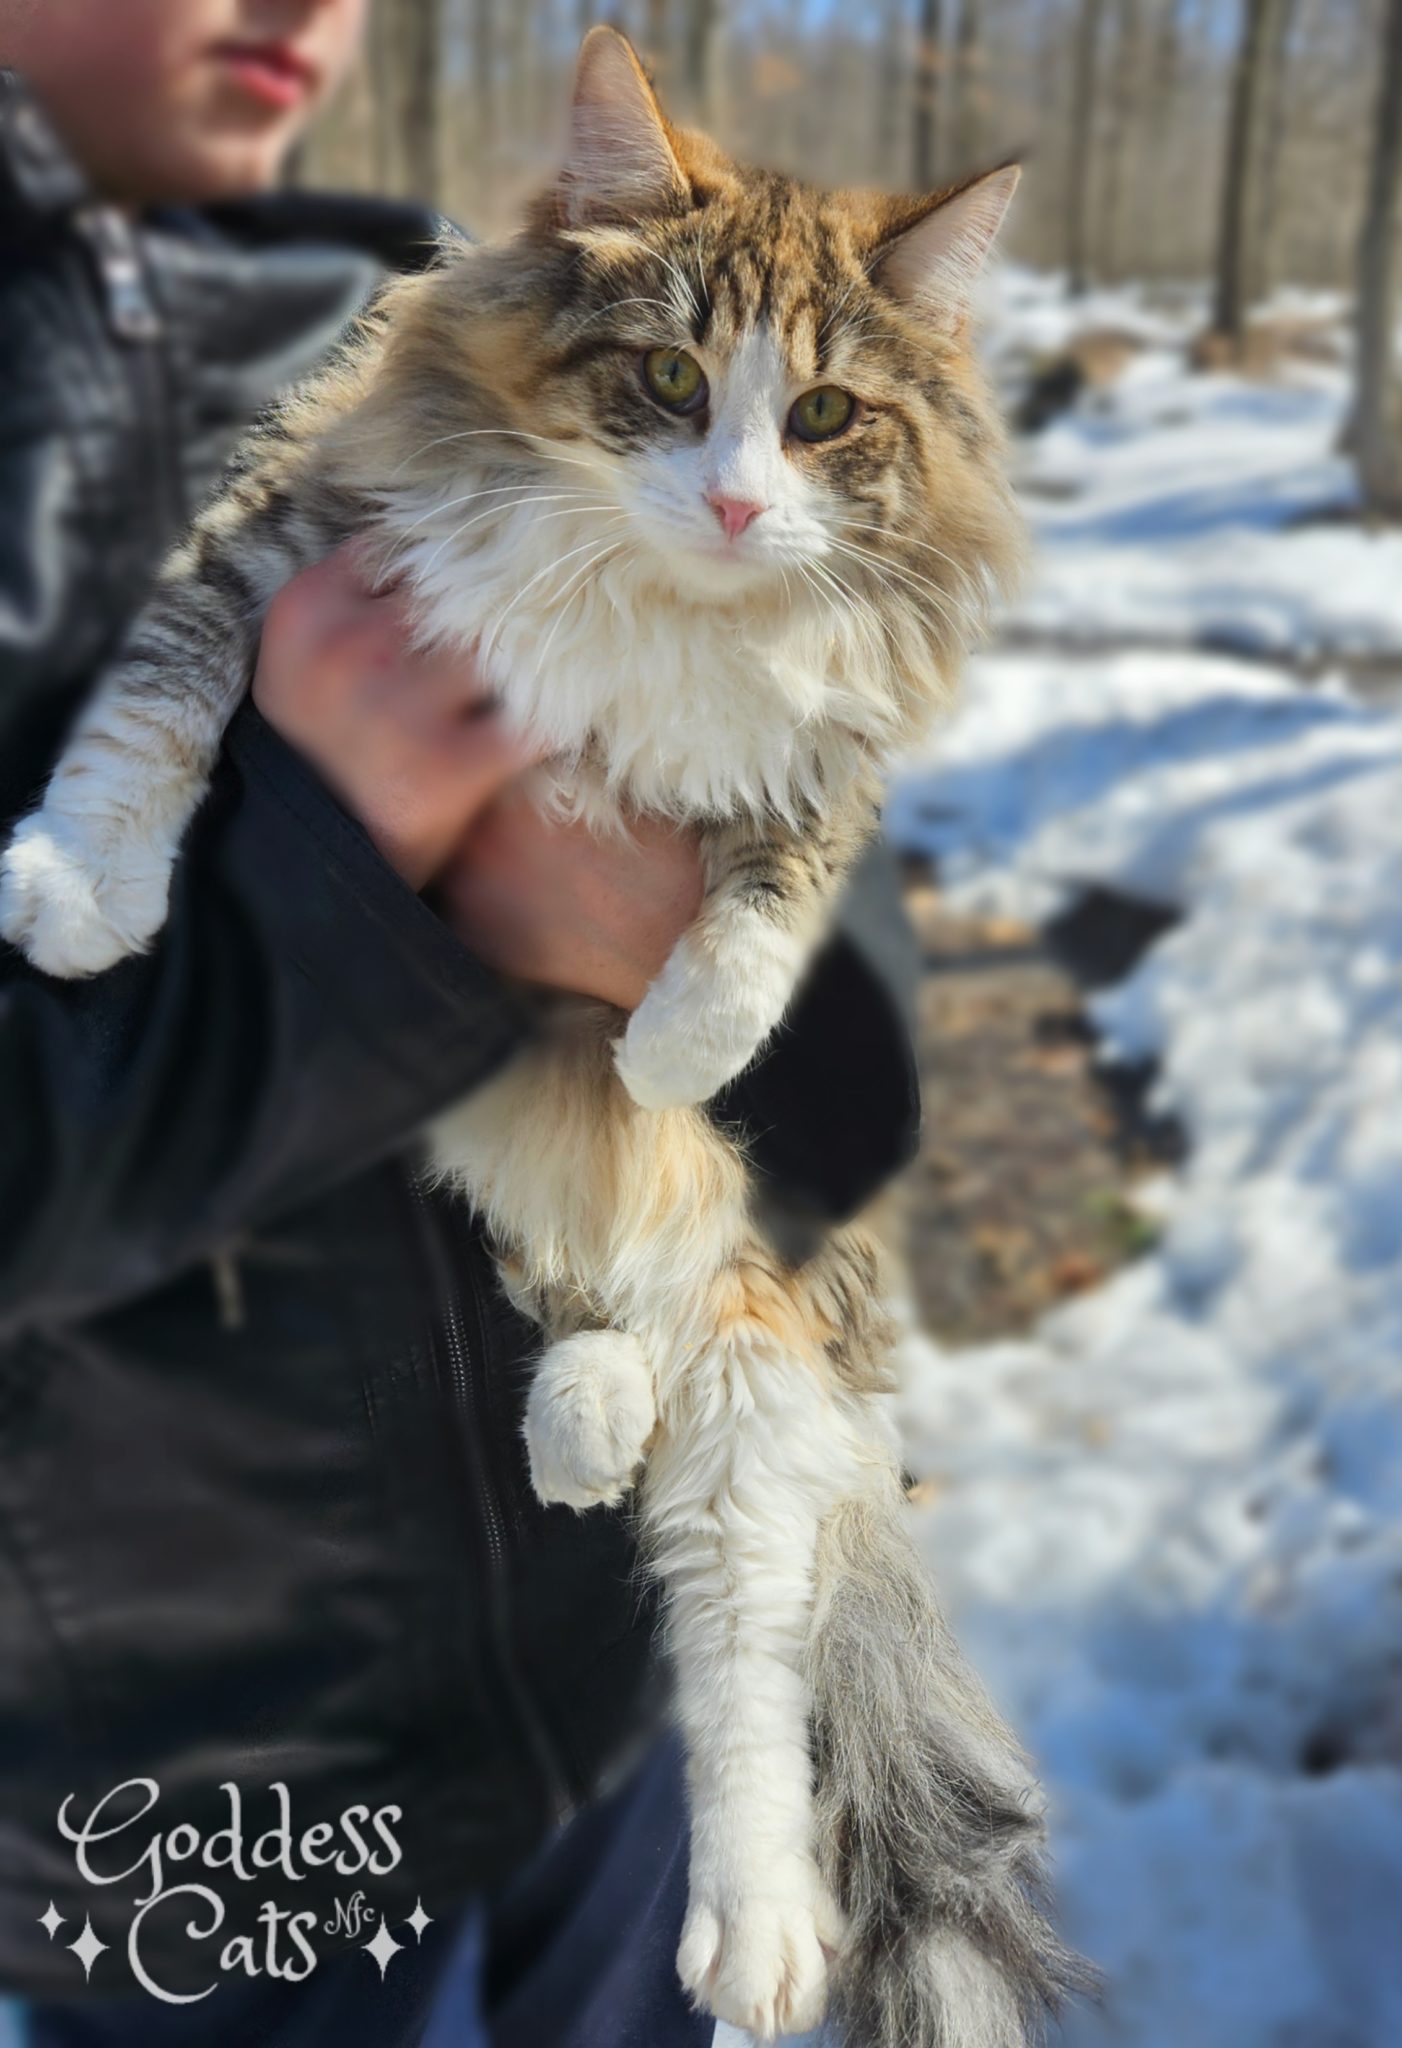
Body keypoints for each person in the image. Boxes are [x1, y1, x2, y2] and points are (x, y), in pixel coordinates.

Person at [0, 4, 920, 2043]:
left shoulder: (410, 277)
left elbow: (837, 1052)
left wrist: (731, 980)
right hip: (186, 1790)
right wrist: (353, 855)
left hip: (607, 1671)